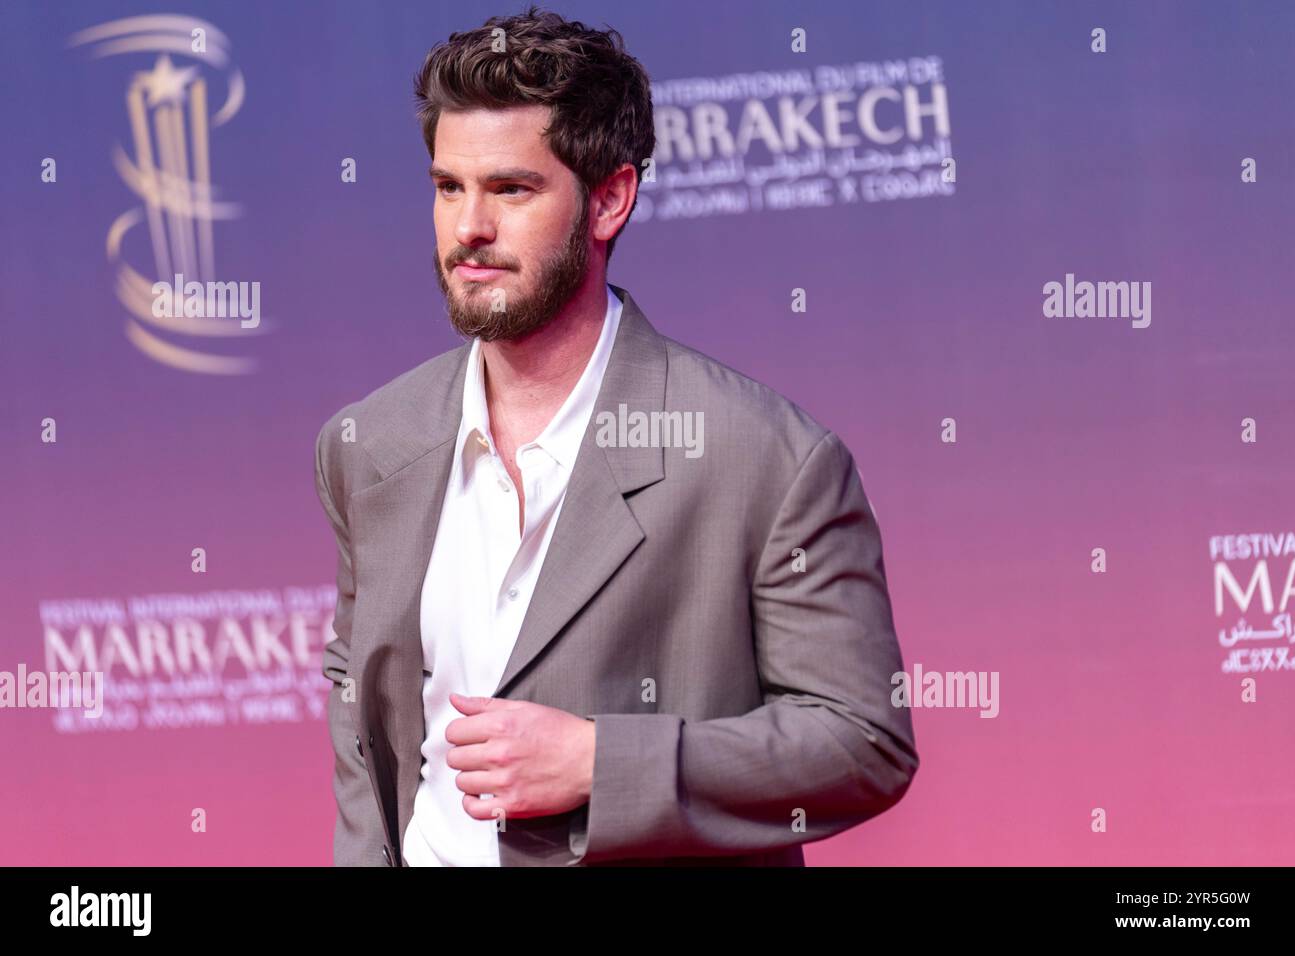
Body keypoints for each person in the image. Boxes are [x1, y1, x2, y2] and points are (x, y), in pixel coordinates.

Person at [314, 5, 918, 867]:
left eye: (511, 189)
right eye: (449, 187)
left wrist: (604, 762)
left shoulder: (769, 458)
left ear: (610, 200)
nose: (468, 229)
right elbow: (356, 696)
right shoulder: (367, 444)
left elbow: (864, 742)